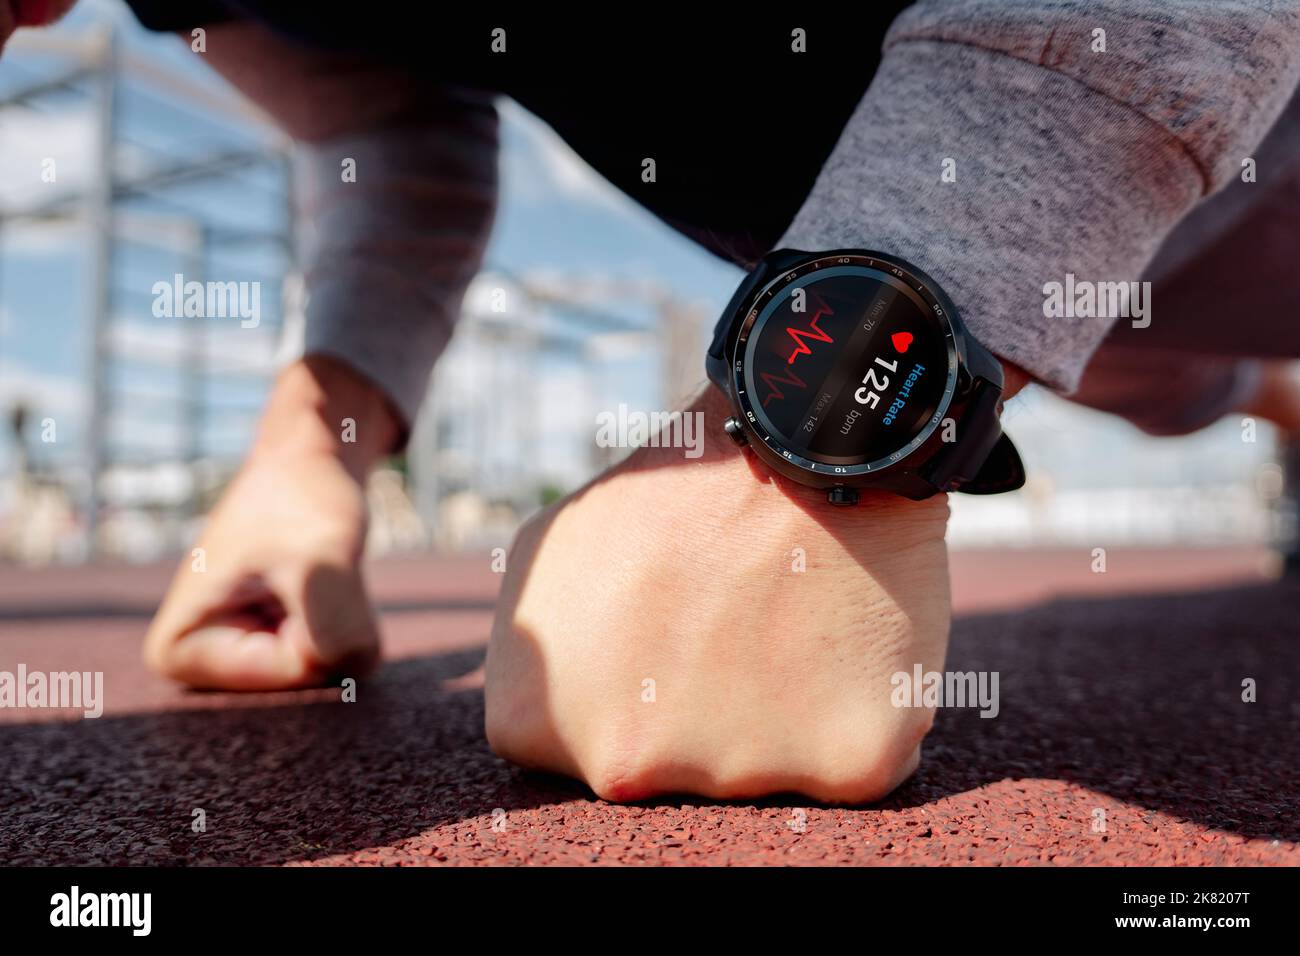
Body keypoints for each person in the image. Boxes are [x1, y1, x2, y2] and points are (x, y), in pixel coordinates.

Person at [5, 2, 1300, 802]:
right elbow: (391, 133)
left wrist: (790, 462)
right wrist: (314, 439)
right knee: (1172, 392)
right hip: (1080, 299)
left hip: (1258, 162)